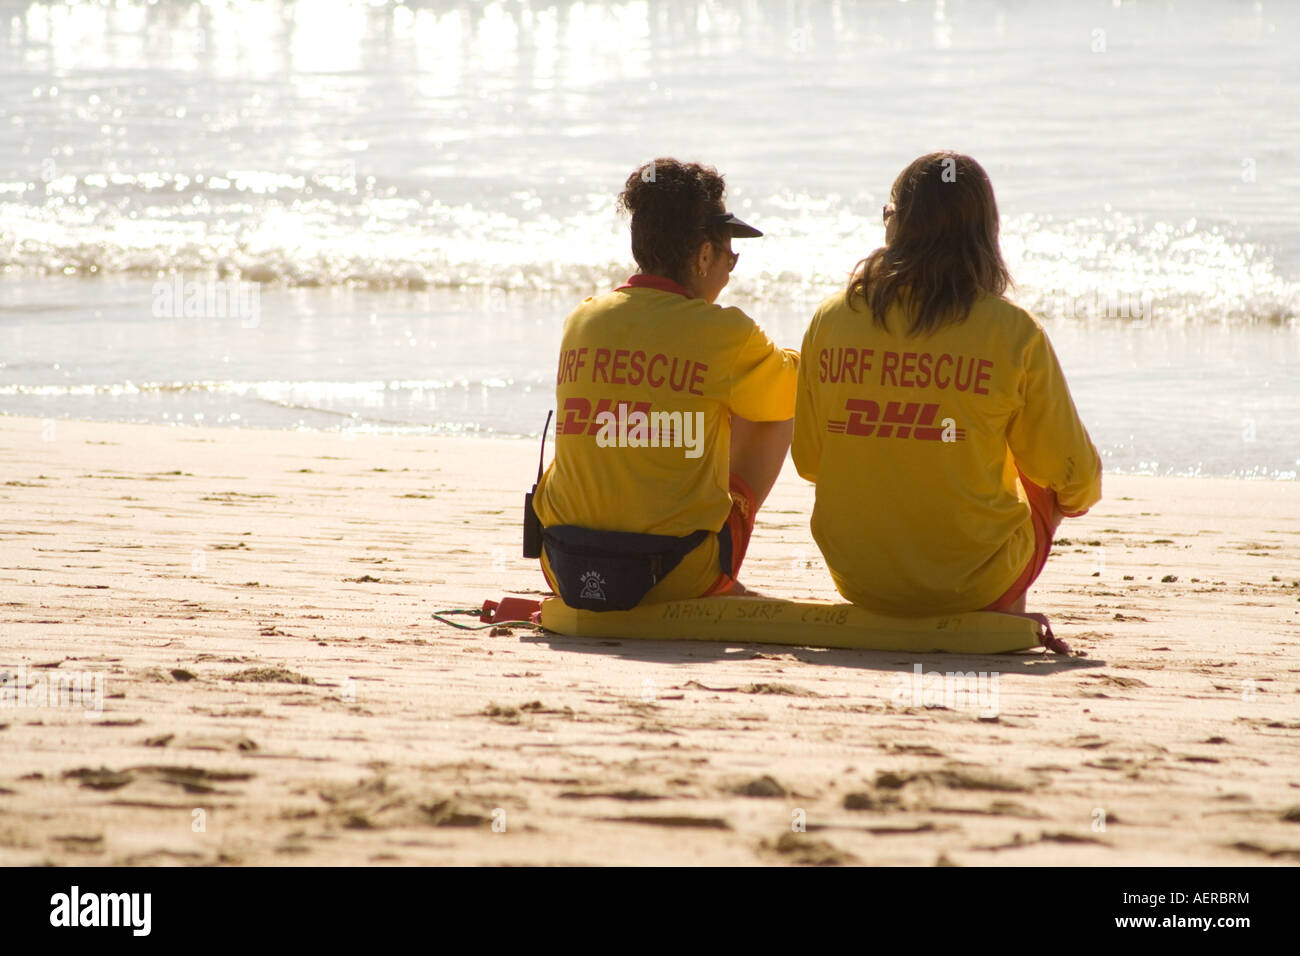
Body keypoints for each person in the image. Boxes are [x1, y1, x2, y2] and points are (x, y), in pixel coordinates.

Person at [792, 151, 1102, 617]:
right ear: (984, 233)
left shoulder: (831, 319)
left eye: (888, 214)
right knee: (1042, 465)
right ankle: (1001, 598)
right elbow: (1078, 481)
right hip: (974, 586)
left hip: (858, 578)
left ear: (896, 225)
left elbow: (812, 462)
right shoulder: (1012, 331)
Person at [531, 158, 798, 610]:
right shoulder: (725, 334)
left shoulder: (583, 318)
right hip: (676, 574)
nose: (731, 267)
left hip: (564, 563)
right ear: (705, 255)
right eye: (730, 253)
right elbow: (799, 389)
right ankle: (717, 571)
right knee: (770, 408)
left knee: (637, 419)